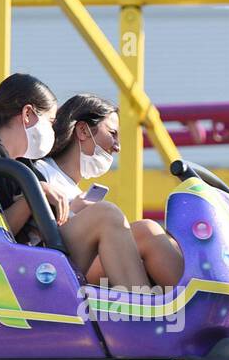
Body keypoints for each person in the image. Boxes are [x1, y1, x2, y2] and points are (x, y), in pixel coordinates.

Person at [0, 74, 151, 291]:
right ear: (27, 114)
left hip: (34, 260)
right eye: (51, 122)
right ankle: (143, 312)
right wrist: (32, 197)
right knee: (106, 215)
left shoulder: (25, 166)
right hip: (7, 272)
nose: (54, 131)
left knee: (140, 228)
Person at [35, 94, 184, 287]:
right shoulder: (39, 172)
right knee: (106, 214)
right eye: (112, 133)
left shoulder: (71, 186)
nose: (118, 147)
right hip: (47, 270)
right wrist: (72, 211)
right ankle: (143, 310)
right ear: (83, 130)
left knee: (148, 230)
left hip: (78, 265)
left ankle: (198, 301)